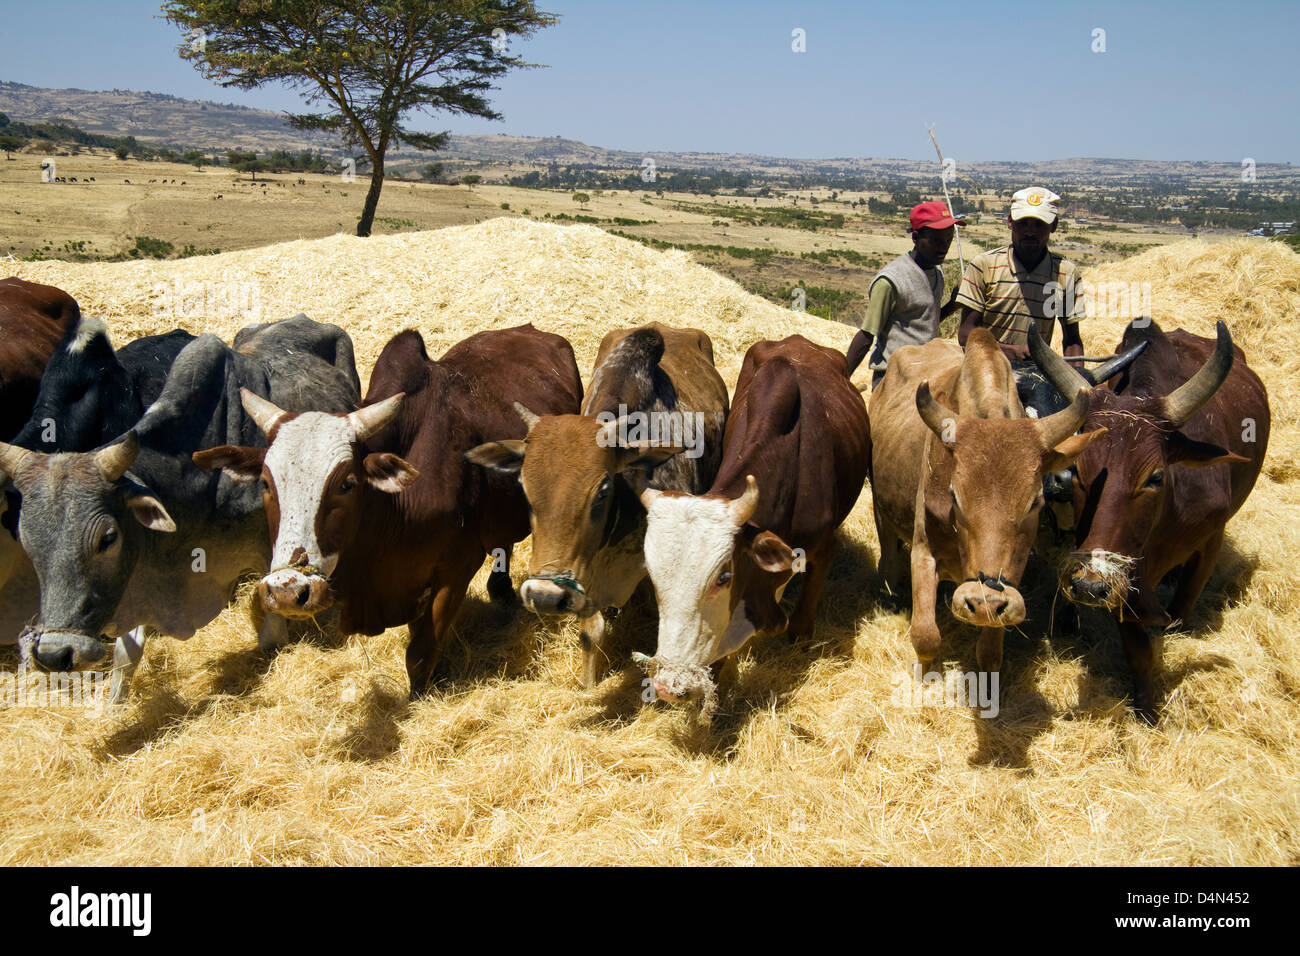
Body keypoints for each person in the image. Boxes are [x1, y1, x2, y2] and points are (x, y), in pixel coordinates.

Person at [955, 186, 1084, 363]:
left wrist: (1077, 382)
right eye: (1023, 223)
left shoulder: (1065, 273)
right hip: (986, 369)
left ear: (1053, 225)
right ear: (1010, 222)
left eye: (1039, 225)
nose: (1030, 232)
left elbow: (1072, 340)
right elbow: (965, 334)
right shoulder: (984, 265)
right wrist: (1005, 352)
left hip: (1035, 375)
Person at [846, 201, 965, 388]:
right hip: (895, 376)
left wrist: (952, 305)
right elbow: (867, 334)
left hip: (926, 372)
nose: (943, 247)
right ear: (916, 238)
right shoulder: (891, 281)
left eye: (948, 240)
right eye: (936, 241)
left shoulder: (936, 272)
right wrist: (842, 377)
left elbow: (922, 322)